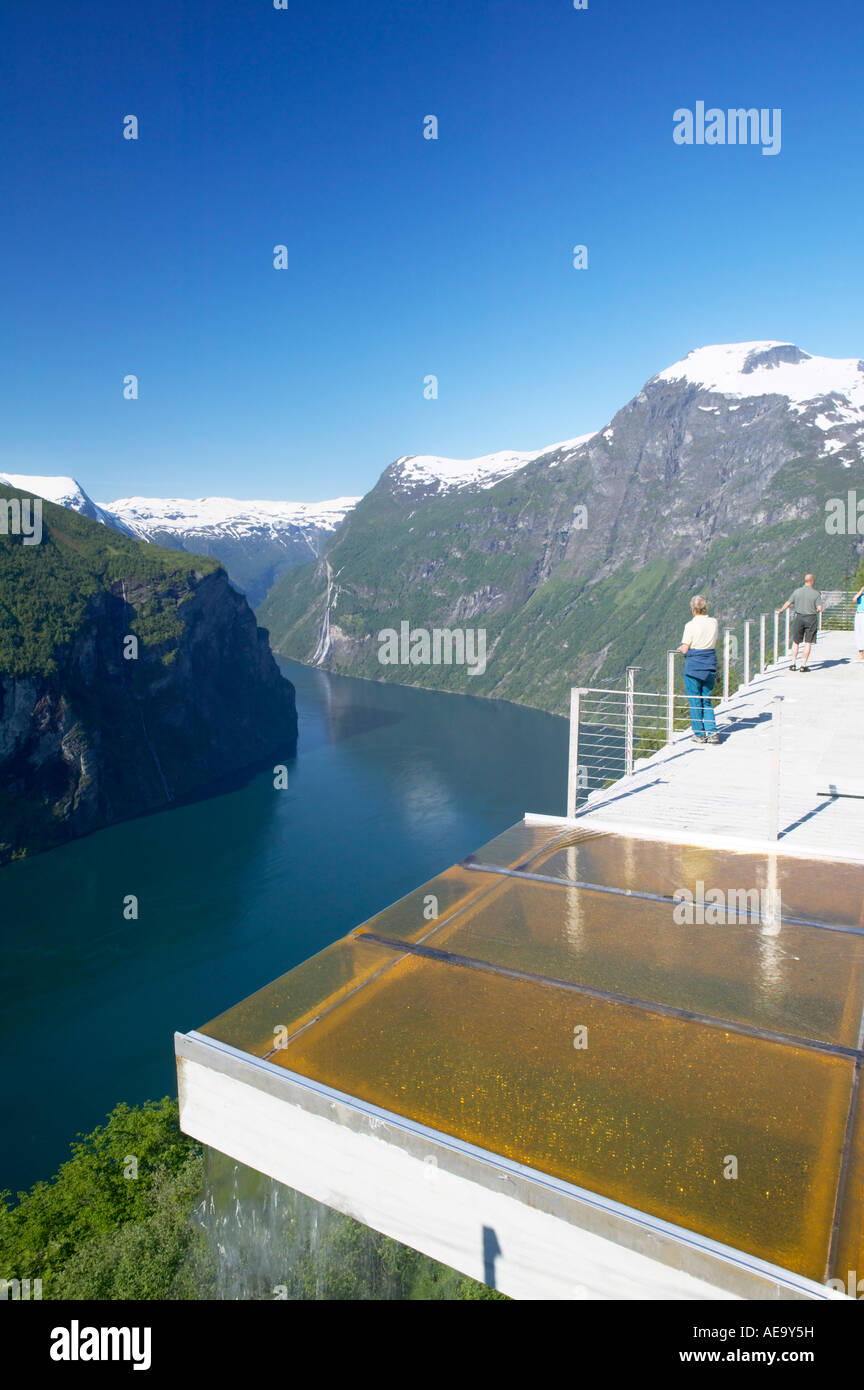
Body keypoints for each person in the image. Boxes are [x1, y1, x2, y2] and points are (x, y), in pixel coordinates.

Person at [677, 595, 720, 744]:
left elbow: (685, 648)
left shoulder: (690, 625)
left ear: (693, 609)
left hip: (694, 667)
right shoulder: (714, 622)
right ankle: (712, 732)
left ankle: (699, 734)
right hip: (709, 664)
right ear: (705, 607)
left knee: (695, 701)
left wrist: (683, 649)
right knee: (706, 700)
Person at [776, 574, 823, 671]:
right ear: (812, 581)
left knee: (796, 642)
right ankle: (803, 666)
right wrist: (816, 609)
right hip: (811, 618)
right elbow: (819, 608)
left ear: (805, 581)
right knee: (808, 642)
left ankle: (793, 664)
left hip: (799, 618)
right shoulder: (816, 594)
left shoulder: (797, 592)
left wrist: (780, 610)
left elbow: (788, 603)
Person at [854, 584, 864, 662]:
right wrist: (861, 591)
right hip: (858, 614)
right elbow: (854, 599)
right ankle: (861, 655)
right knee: (858, 634)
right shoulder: (861, 595)